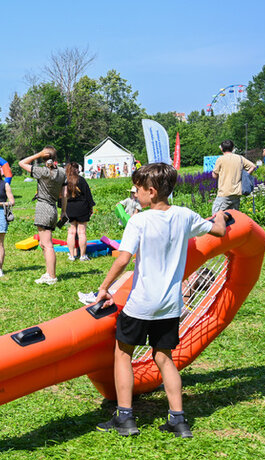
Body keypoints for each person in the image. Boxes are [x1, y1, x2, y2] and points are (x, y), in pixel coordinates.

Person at [94, 163, 226, 438]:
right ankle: (178, 420)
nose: (134, 194)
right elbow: (219, 231)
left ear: (151, 192)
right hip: (170, 305)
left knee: (123, 354)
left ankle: (125, 417)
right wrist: (222, 217)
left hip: (141, 303)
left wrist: (104, 288)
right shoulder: (185, 216)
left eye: (137, 190)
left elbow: (123, 258)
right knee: (164, 357)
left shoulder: (139, 221)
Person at [18, 146, 68, 285]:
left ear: (44, 158)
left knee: (47, 245)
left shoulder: (42, 171)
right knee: (44, 243)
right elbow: (64, 194)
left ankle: (52, 276)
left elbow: (21, 163)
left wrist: (37, 154)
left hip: (43, 208)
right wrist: (63, 211)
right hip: (53, 208)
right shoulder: (62, 173)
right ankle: (48, 272)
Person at [212, 140, 256, 214]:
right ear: (232, 149)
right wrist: (246, 174)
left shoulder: (220, 159)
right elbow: (253, 166)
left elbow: (214, 175)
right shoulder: (240, 158)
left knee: (216, 217)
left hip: (224, 193)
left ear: (221, 149)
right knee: (233, 217)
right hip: (236, 193)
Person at [63, 162, 96, 261]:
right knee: (82, 232)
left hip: (69, 208)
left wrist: (62, 208)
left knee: (71, 232)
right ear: (77, 170)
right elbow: (88, 195)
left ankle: (72, 255)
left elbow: (62, 196)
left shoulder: (65, 181)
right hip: (82, 208)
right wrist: (91, 206)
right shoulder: (81, 180)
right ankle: (82, 255)